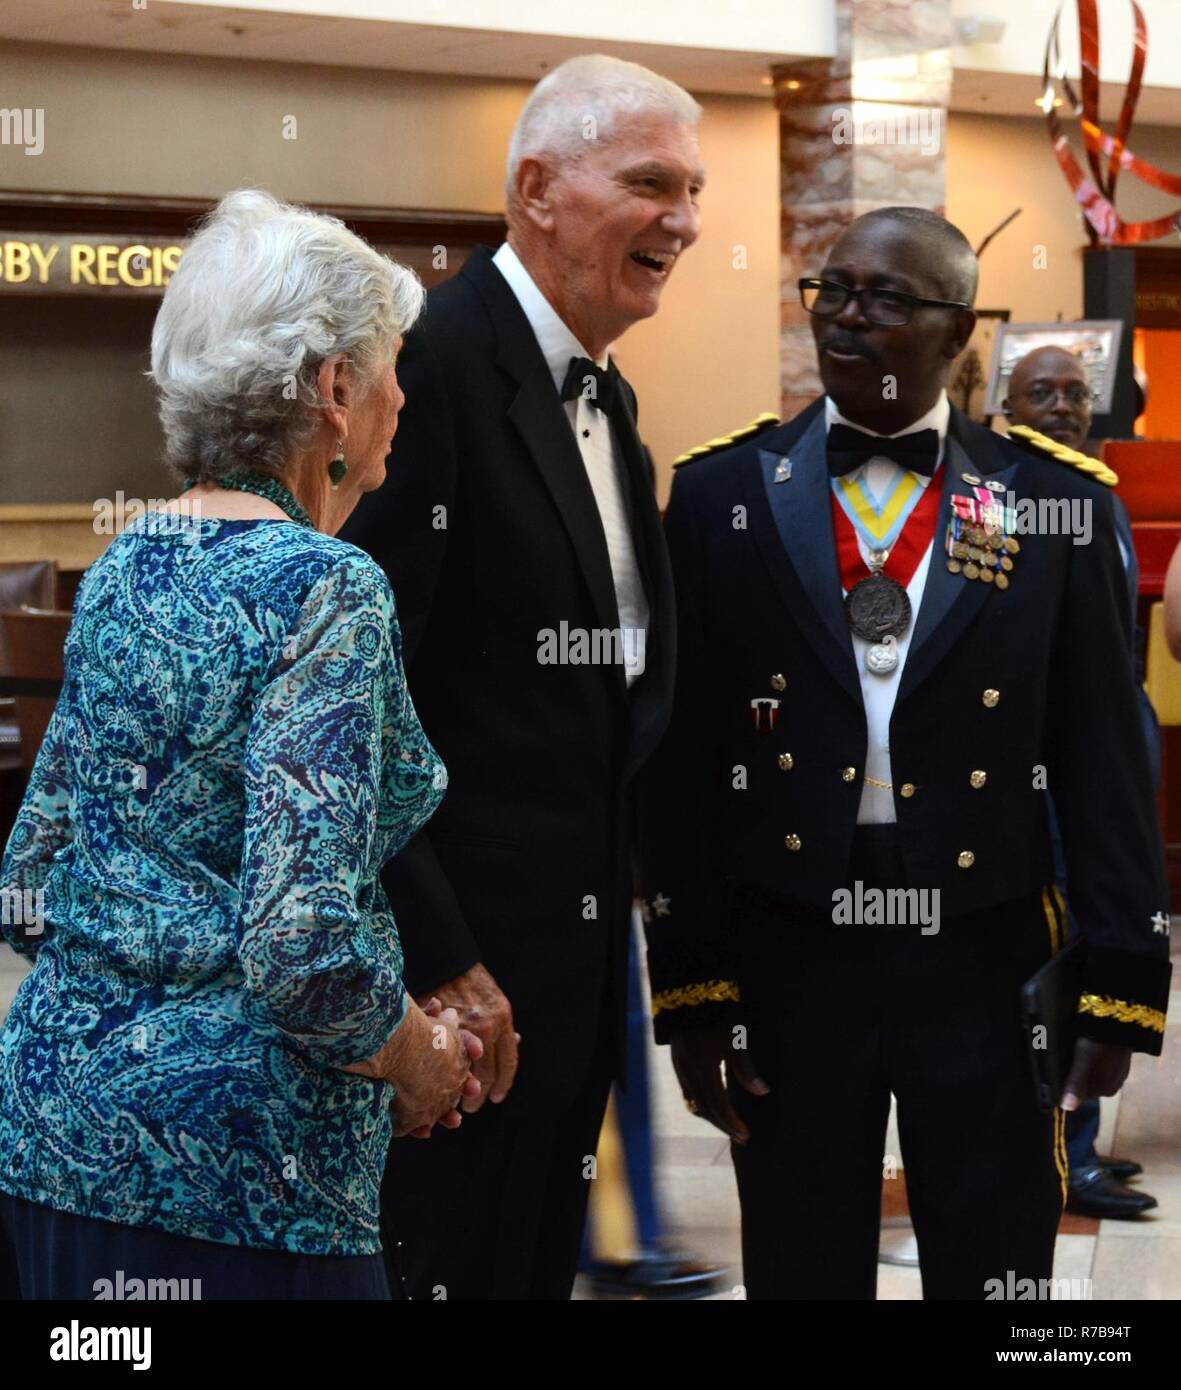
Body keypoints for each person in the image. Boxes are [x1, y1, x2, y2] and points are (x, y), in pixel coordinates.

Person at [641, 206, 1171, 1299]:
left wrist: (1120, 984)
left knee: (995, 1265)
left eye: (882, 299)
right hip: (790, 950)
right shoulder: (721, 493)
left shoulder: (1053, 501)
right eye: (829, 291)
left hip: (984, 954)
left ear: (957, 331)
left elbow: (1101, 755)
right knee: (798, 1261)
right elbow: (685, 764)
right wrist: (692, 986)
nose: (843, 319)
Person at [0, 189, 480, 1301]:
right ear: (336, 389)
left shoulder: (125, 566)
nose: (404, 394)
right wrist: (421, 1061)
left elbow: (28, 879)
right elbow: (303, 953)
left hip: (56, 1143)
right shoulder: (329, 589)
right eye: (391, 363)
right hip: (246, 1184)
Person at [340, 53, 699, 1299]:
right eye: (651, 184)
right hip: (454, 990)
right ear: (536, 189)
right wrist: (435, 957)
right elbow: (352, 701)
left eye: (694, 192)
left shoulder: (615, 401)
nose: (687, 223)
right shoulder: (426, 368)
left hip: (575, 976)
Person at [1004, 345, 1159, 1221]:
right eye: (1042, 392)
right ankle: (1067, 1147)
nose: (1062, 405)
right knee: (1060, 946)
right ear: (1008, 405)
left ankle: (1082, 1139)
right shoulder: (995, 496)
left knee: (1103, 929)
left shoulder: (1093, 487)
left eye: (1074, 392)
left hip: (1112, 728)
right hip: (1044, 755)